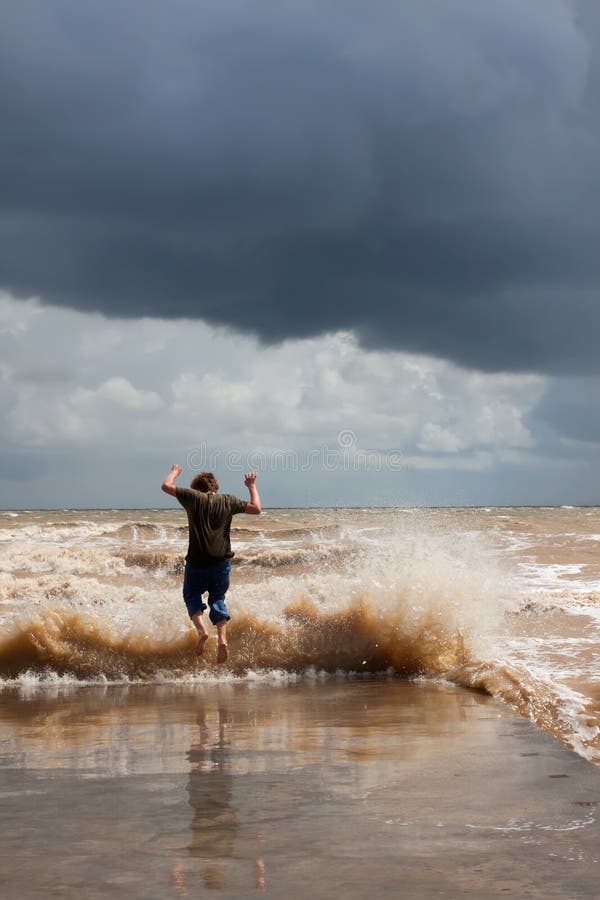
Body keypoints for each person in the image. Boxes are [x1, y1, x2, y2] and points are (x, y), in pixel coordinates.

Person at [161, 466, 261, 663]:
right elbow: (256, 508)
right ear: (215, 487)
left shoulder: (192, 497)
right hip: (220, 562)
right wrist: (252, 486)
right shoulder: (228, 500)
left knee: (191, 596)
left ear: (197, 489)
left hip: (197, 562)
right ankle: (222, 639)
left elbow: (166, 486)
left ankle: (202, 631)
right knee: (218, 598)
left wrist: (174, 472)